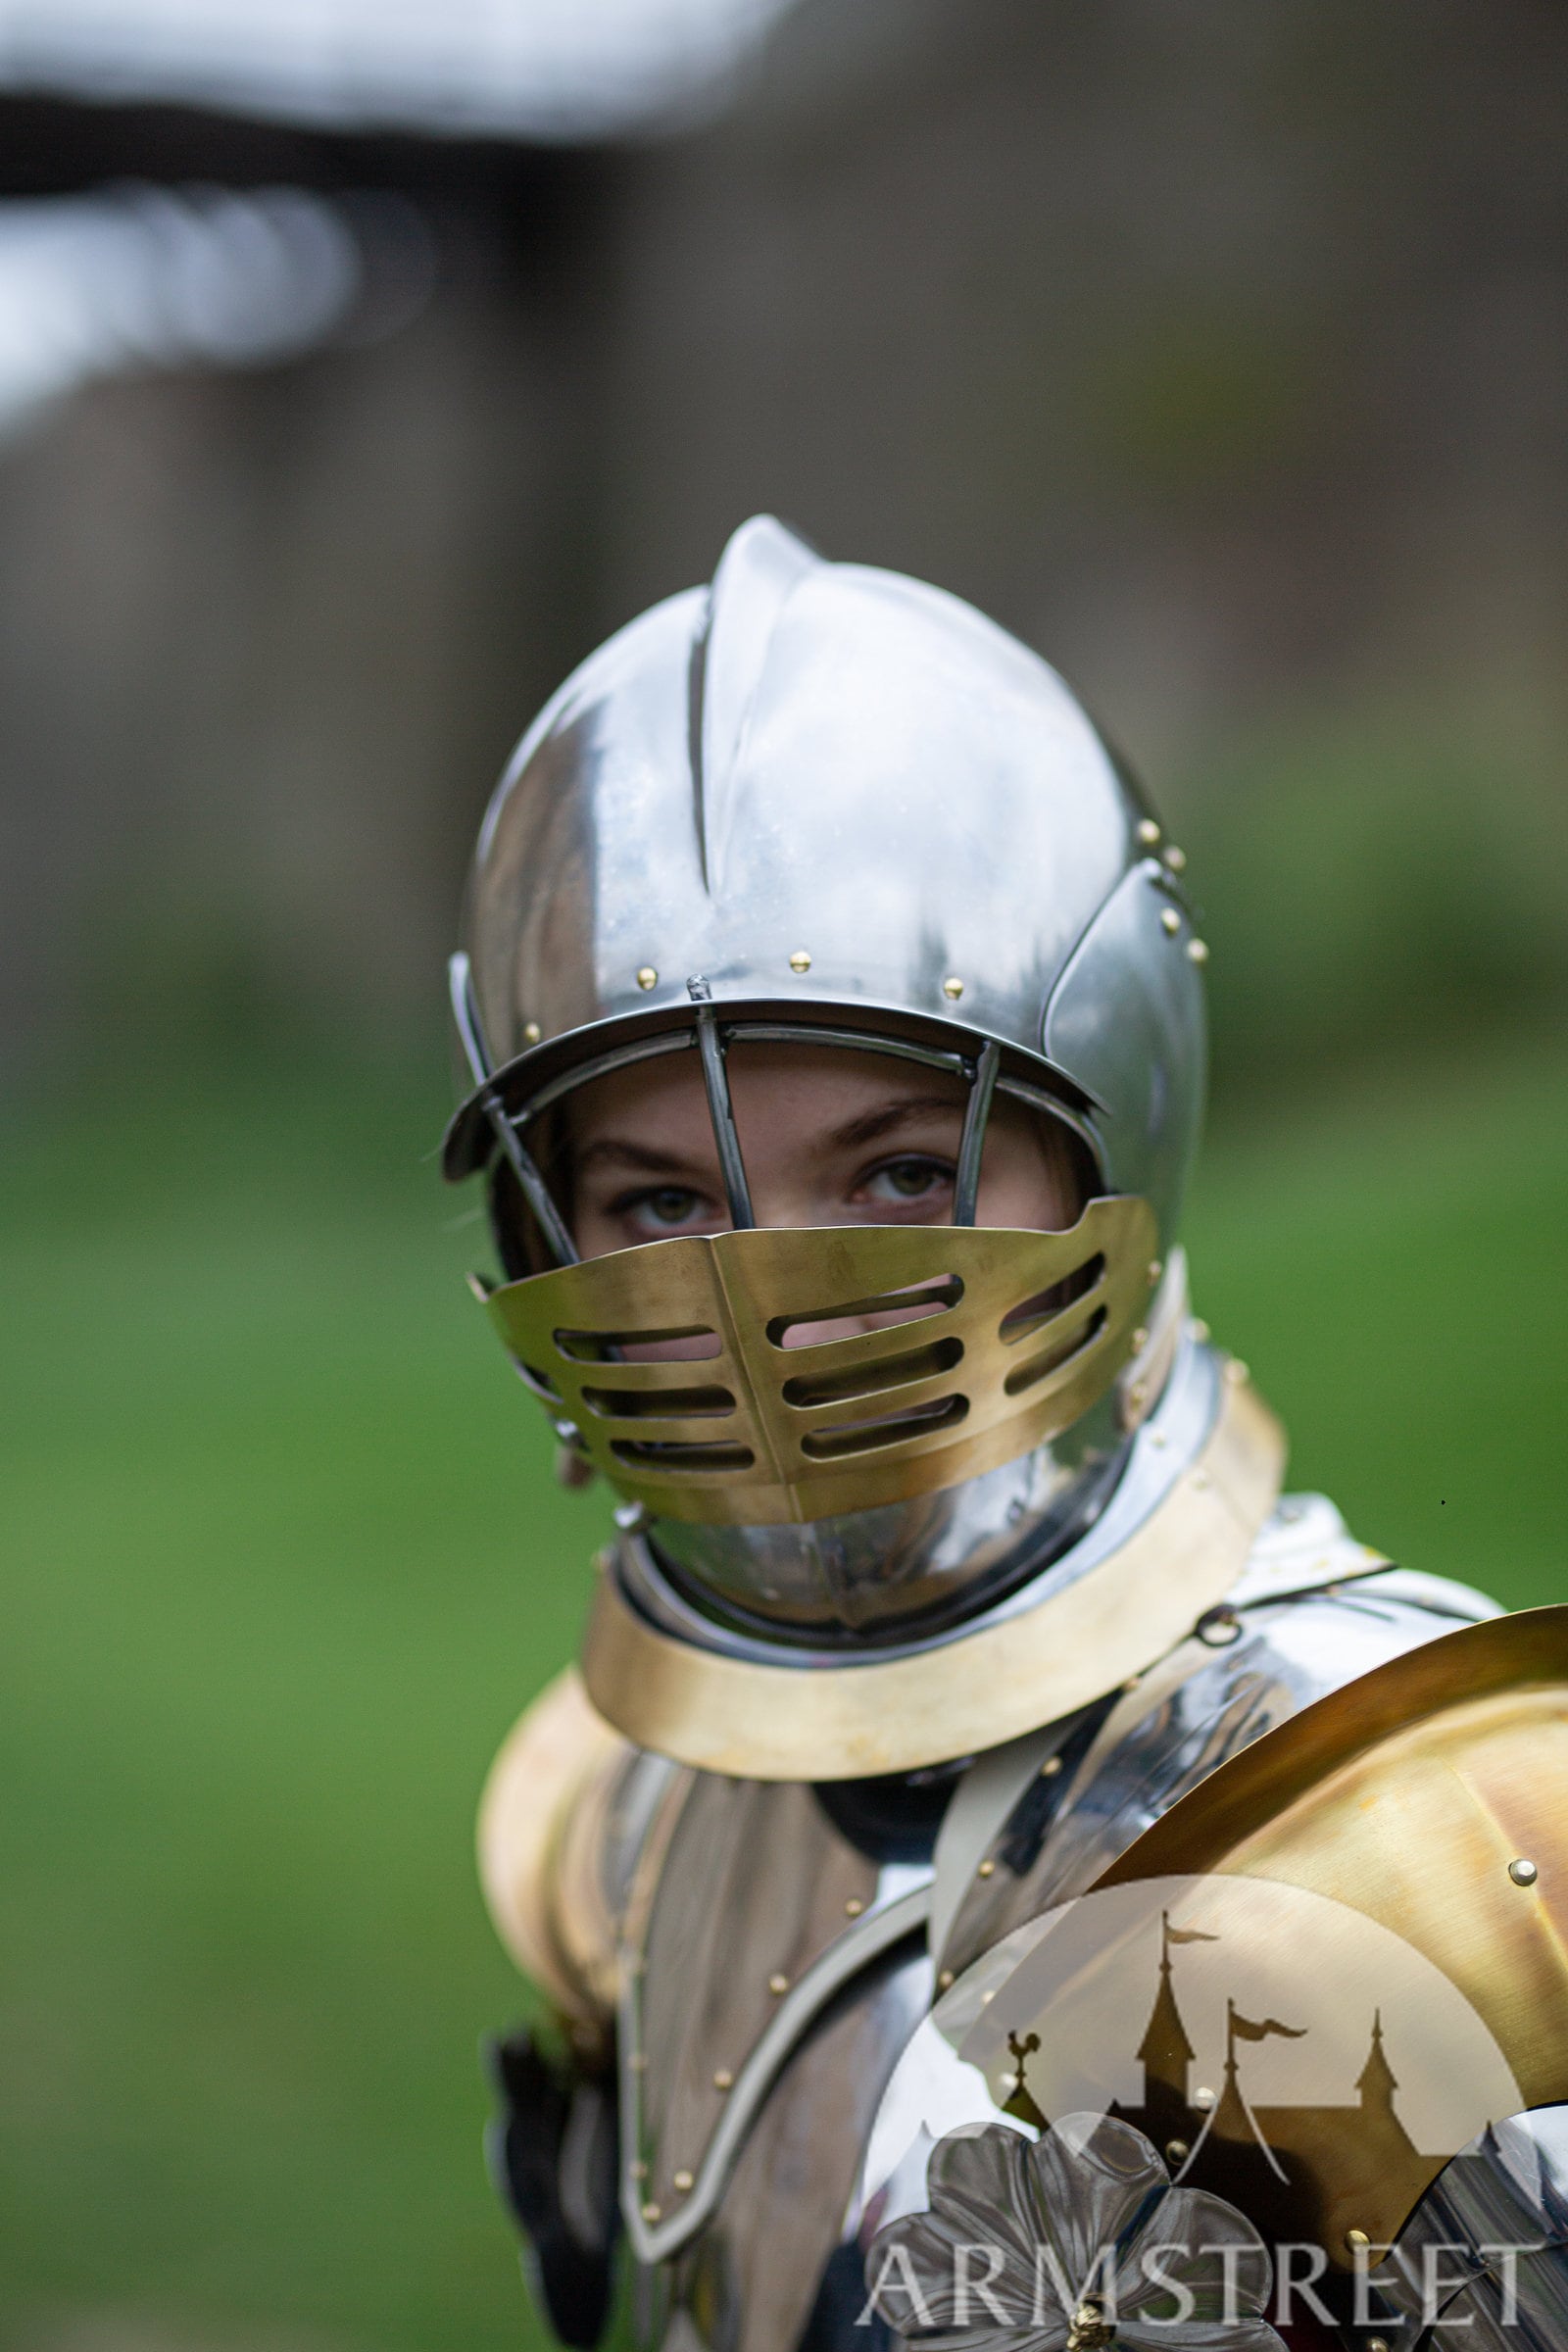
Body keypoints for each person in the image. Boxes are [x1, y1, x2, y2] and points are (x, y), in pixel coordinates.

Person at [443, 518, 1568, 2351]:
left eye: (897, 1176)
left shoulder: (1428, 1842)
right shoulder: (625, 1810)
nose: (776, 1310)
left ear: (1111, 1140)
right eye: (658, 1204)